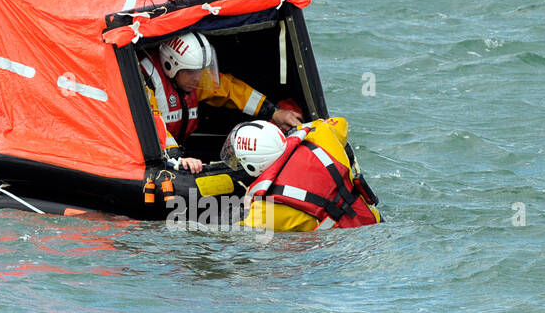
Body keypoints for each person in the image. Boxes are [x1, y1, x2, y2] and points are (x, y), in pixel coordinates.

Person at [139, 31, 300, 174]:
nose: (198, 78)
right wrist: (175, 158)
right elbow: (152, 123)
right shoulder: (147, 81)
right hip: (151, 155)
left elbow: (230, 91)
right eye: (191, 72)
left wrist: (274, 112)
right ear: (169, 65)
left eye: (200, 71)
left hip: (178, 149)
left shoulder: (191, 78)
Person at [223, 117, 382, 231]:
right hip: (375, 222)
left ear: (252, 166)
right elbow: (340, 122)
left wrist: (247, 203)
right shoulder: (323, 135)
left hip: (342, 252)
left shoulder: (263, 209)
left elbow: (243, 235)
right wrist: (297, 131)